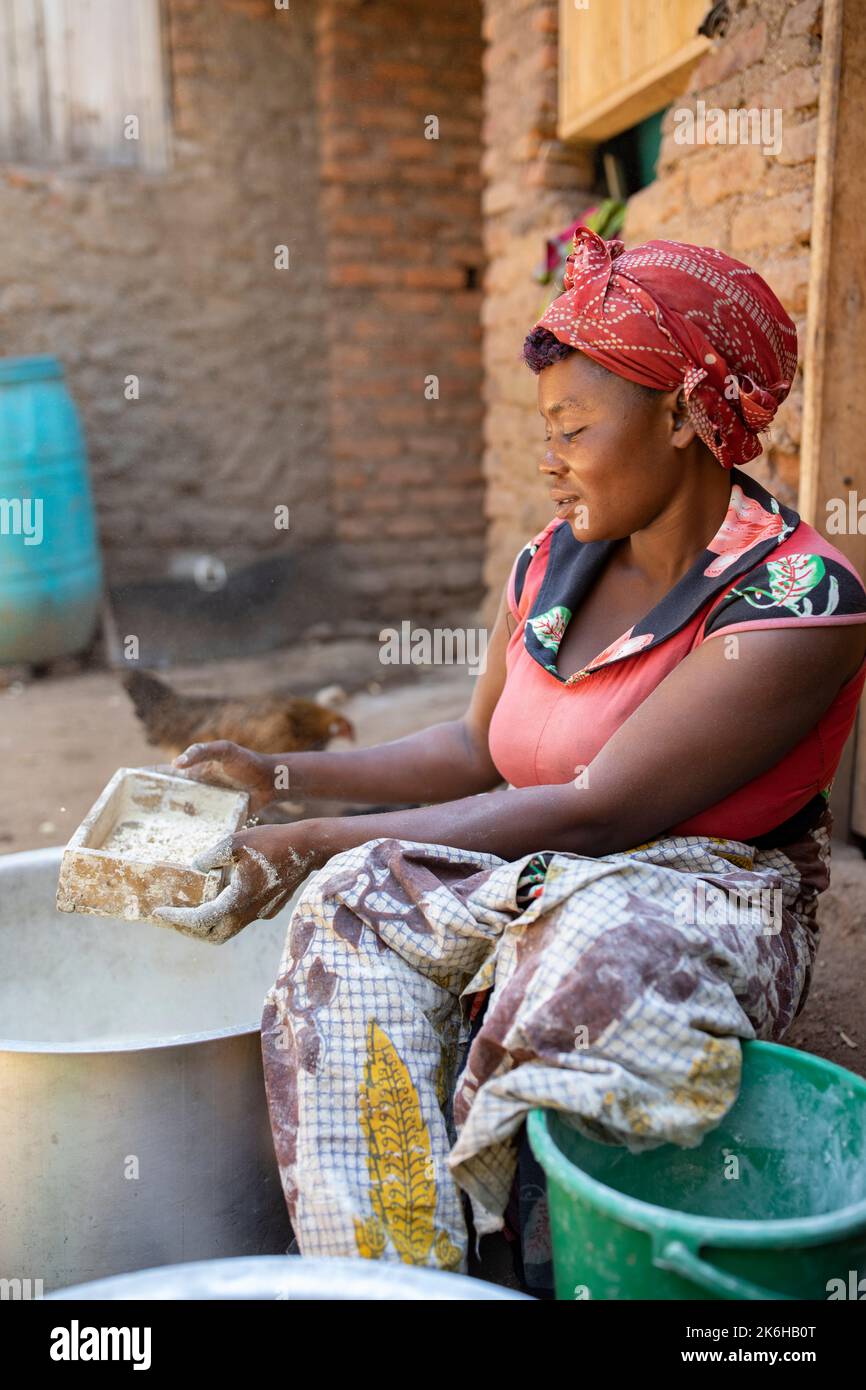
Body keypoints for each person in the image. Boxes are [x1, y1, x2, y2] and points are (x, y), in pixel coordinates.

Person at [154, 226, 866, 1290]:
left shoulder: (798, 600)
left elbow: (600, 810)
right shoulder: (548, 562)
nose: (548, 456)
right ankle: (398, 1273)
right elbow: (473, 748)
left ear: (679, 414)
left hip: (705, 894)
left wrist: (305, 838)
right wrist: (283, 779)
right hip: (534, 865)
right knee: (347, 903)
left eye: (571, 426)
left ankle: (545, 1255)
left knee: (585, 948)